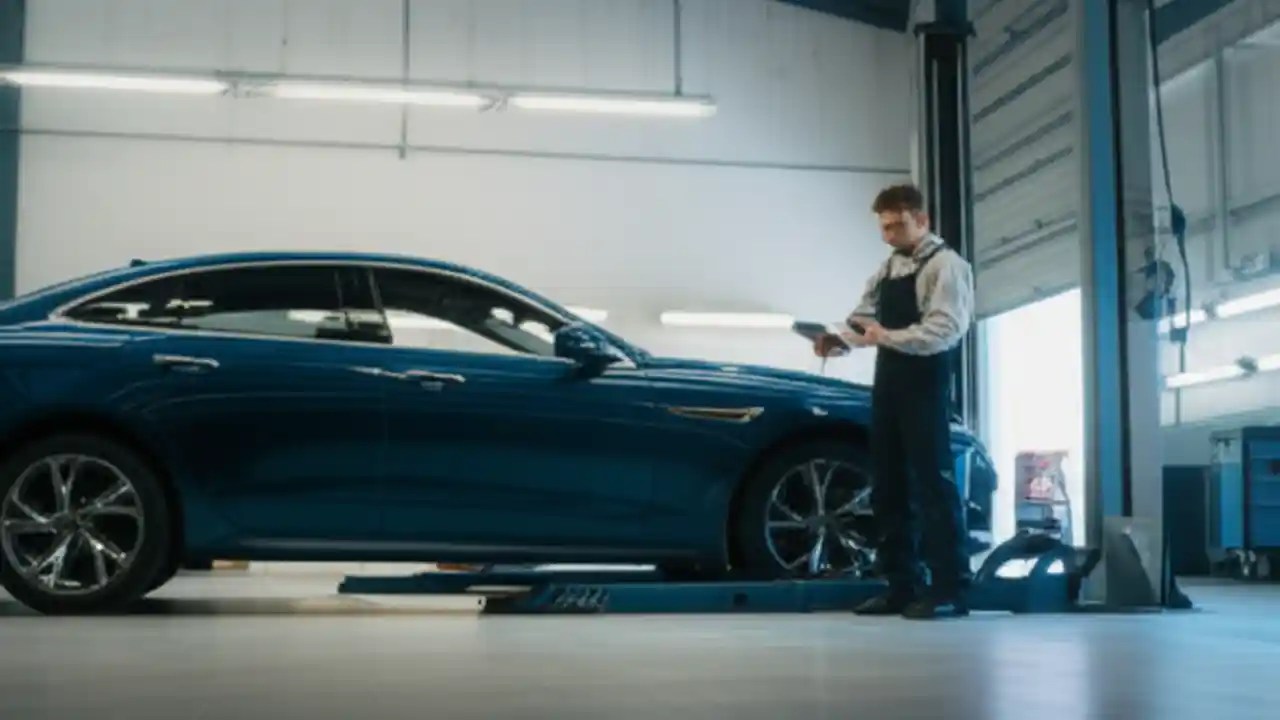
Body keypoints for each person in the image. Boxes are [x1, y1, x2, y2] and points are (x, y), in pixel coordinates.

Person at [813, 183, 975, 620]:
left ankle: (950, 589)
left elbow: (944, 330)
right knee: (888, 485)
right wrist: (838, 340)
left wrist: (885, 336)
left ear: (922, 220)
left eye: (897, 225)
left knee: (933, 485)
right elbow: (864, 318)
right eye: (883, 227)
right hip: (888, 381)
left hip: (925, 381)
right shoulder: (887, 269)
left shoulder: (947, 267)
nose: (889, 235)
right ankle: (901, 585)